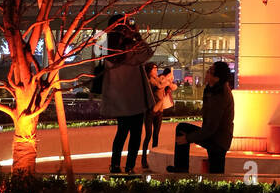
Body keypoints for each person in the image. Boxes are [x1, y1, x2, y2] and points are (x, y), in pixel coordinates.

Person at [100, 17, 154, 175]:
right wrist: (137, 36)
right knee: (136, 134)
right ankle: (130, 166)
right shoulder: (131, 48)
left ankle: (115, 165)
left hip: (119, 99)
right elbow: (148, 53)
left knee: (121, 132)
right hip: (135, 98)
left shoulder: (107, 47)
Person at [167, 61, 234, 175]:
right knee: (182, 128)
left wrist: (188, 138)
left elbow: (211, 127)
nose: (206, 72)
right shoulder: (211, 89)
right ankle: (181, 168)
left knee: (216, 175)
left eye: (210, 71)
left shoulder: (220, 95)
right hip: (213, 137)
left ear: (217, 77)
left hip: (218, 140)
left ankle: (182, 169)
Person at [141, 63, 166, 169]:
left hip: (159, 110)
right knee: (148, 135)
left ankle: (154, 158)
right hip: (150, 110)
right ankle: (144, 159)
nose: (156, 70)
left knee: (156, 135)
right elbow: (158, 87)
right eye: (154, 69)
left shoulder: (158, 79)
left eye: (156, 68)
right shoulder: (148, 81)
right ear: (149, 70)